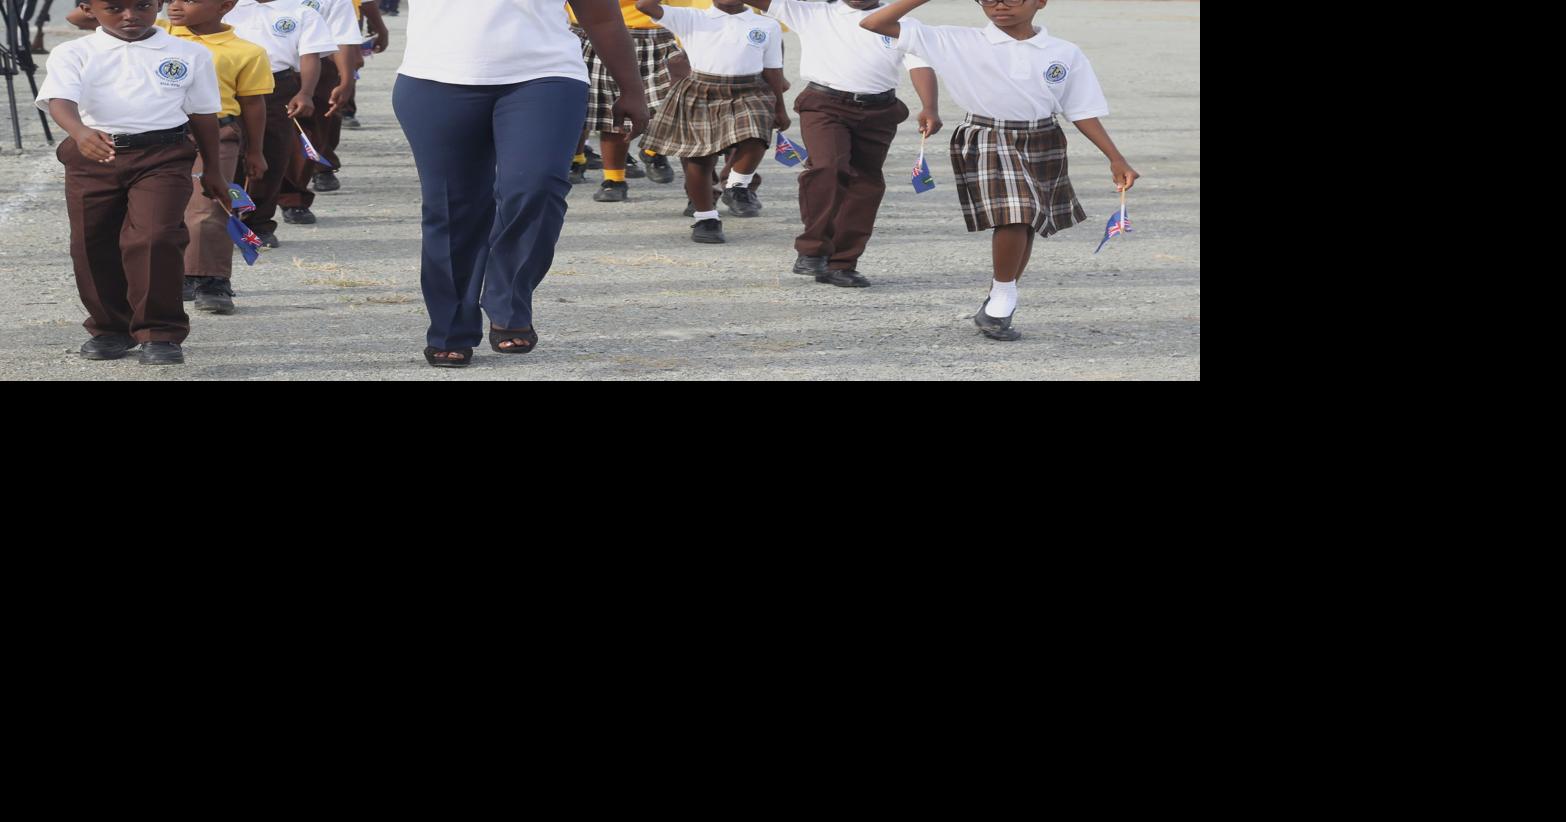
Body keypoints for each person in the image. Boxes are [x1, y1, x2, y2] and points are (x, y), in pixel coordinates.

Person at [862, 0, 1139, 341]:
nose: (999, 5)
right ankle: (1004, 296)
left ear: (1040, 2)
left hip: (1044, 137)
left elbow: (1081, 109)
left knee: (1029, 218)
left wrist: (1115, 158)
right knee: (1015, 213)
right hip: (987, 135)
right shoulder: (955, 39)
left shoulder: (1064, 52)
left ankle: (1000, 292)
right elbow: (874, 23)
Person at [395, 0, 650, 368]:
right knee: (451, 207)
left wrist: (632, 89)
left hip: (545, 76)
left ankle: (509, 299)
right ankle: (450, 329)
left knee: (537, 186)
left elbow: (603, 17)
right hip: (434, 78)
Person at [38, 0, 227, 365]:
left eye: (143, 6)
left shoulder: (189, 53)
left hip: (163, 156)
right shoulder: (74, 52)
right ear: (88, 8)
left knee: (156, 237)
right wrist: (80, 132)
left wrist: (214, 171)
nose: (130, 16)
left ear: (159, 4)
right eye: (115, 8)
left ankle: (160, 333)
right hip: (94, 155)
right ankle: (111, 328)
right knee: (92, 242)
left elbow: (203, 114)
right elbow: (60, 99)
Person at [745, 0, 940, 288]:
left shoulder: (903, 22)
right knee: (828, 167)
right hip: (825, 105)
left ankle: (842, 263)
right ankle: (813, 250)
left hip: (879, 111)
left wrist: (930, 107)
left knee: (866, 183)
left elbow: (920, 64)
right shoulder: (811, 13)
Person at [636, 0, 788, 245]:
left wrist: (780, 107)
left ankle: (737, 186)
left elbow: (773, 69)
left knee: (756, 136)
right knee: (699, 158)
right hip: (701, 89)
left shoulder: (767, 25)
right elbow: (644, 5)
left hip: (749, 89)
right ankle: (706, 218)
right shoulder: (691, 18)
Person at [159, 0, 274, 315]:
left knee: (209, 207)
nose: (175, 6)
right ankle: (177, 273)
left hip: (217, 133)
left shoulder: (247, 51)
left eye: (190, 0)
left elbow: (253, 104)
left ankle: (211, 280)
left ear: (225, 5)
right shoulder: (155, 35)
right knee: (164, 207)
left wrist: (255, 150)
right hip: (159, 134)